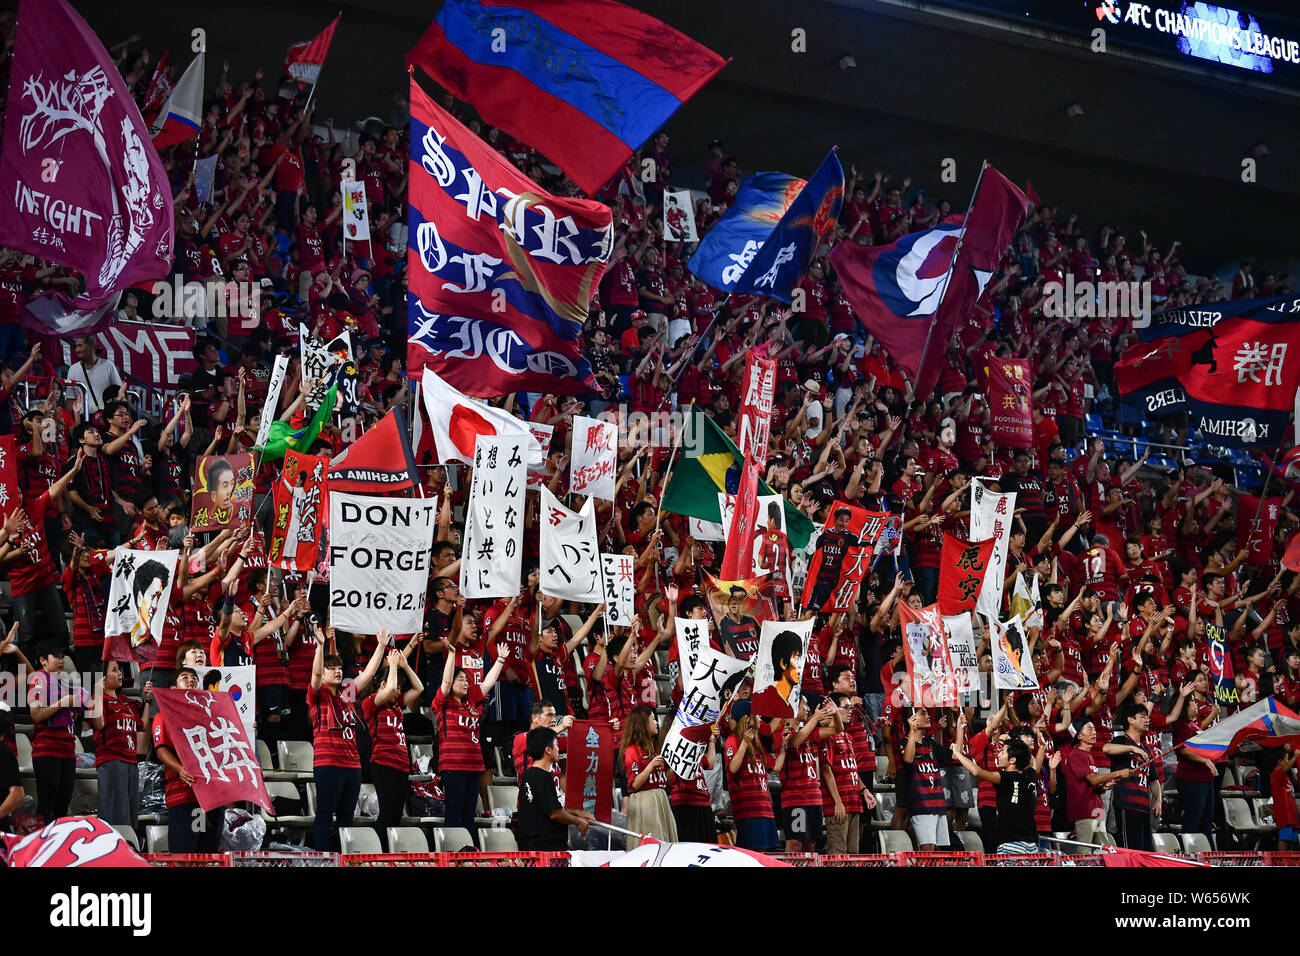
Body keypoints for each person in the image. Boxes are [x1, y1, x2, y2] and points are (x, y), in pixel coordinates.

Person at [307, 624, 384, 852]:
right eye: (332, 669)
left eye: (339, 668)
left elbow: (368, 673)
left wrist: (380, 646)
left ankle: (342, 858)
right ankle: (323, 858)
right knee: (324, 815)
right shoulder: (317, 694)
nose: (338, 671)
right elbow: (316, 674)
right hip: (328, 763)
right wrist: (320, 646)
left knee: (346, 818)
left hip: (353, 765)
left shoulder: (347, 693)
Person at [434, 636, 509, 836]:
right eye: (462, 680)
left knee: (468, 817)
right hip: (453, 766)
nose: (466, 683)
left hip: (475, 766)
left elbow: (486, 684)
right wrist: (452, 654)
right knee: (453, 816)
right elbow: (447, 680)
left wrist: (500, 660)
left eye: (467, 680)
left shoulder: (471, 702)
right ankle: (451, 855)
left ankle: (467, 854)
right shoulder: (443, 702)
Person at [151, 666, 223, 853]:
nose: (191, 680)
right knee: (185, 856)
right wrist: (180, 769)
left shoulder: (210, 716)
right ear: (173, 689)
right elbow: (161, 750)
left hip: (212, 797)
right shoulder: (163, 715)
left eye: (194, 678)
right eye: (184, 677)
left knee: (209, 856)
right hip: (183, 795)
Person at [952, 713, 1044, 853]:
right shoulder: (1030, 776)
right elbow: (1030, 761)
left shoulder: (1005, 778)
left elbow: (977, 772)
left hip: (1010, 846)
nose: (999, 754)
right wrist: (1040, 747)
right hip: (1032, 845)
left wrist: (957, 753)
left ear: (1013, 760)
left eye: (1003, 752)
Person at [362, 638, 424, 843]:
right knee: (387, 813)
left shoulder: (396, 705)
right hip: (383, 763)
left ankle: (391, 854)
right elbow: (388, 690)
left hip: (401, 765)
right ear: (382, 684)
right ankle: (378, 852)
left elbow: (419, 689)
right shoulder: (371, 703)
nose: (397, 691)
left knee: (397, 816)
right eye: (396, 687)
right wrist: (394, 667)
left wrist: (404, 665)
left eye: (399, 688)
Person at [27, 640, 84, 823]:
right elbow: (36, 714)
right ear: (43, 660)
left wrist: (77, 706)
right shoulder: (38, 679)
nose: (61, 661)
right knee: (46, 806)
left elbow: (69, 717)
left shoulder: (63, 683)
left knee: (62, 809)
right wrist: (62, 703)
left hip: (68, 750)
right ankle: (39, 849)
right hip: (48, 749)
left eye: (62, 658)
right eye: (56, 657)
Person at [88, 660, 149, 828]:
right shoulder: (96, 699)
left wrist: (148, 701)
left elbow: (142, 727)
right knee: (114, 816)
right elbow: (98, 724)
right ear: (103, 678)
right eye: (114, 670)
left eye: (120, 670)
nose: (120, 673)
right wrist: (98, 692)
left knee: (129, 814)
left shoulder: (127, 702)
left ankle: (129, 847)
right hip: (111, 761)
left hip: (131, 762)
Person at [517, 727, 592, 851]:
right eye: (556, 744)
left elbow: (549, 807)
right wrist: (578, 821)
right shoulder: (542, 777)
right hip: (546, 848)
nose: (558, 749)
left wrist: (577, 813)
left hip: (536, 846)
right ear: (548, 750)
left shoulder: (530, 775)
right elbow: (555, 813)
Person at [1062, 719, 1133, 844]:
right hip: (1084, 812)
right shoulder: (1075, 755)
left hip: (1097, 811)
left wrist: (1104, 787)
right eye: (1089, 729)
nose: (1094, 732)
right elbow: (1093, 780)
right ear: (1079, 735)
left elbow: (1094, 787)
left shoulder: (1089, 756)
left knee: (1103, 850)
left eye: (1094, 729)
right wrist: (1117, 773)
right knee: (1085, 852)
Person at [621, 706, 678, 849]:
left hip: (660, 799)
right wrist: (650, 765)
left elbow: (662, 780)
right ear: (643, 724)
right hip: (645, 802)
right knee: (652, 847)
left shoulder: (653, 748)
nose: (657, 723)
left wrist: (674, 768)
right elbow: (635, 784)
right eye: (653, 719)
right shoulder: (632, 750)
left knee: (665, 844)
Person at [725, 701, 777, 851]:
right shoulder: (732, 740)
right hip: (748, 810)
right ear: (747, 718)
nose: (760, 718)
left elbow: (774, 767)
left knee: (762, 854)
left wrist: (784, 748)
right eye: (756, 715)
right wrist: (744, 744)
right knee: (751, 854)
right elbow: (733, 767)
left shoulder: (756, 742)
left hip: (764, 807)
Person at [749, 628, 805, 718]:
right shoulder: (762, 698)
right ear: (783, 664)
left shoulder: (790, 708)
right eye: (796, 657)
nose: (801, 664)